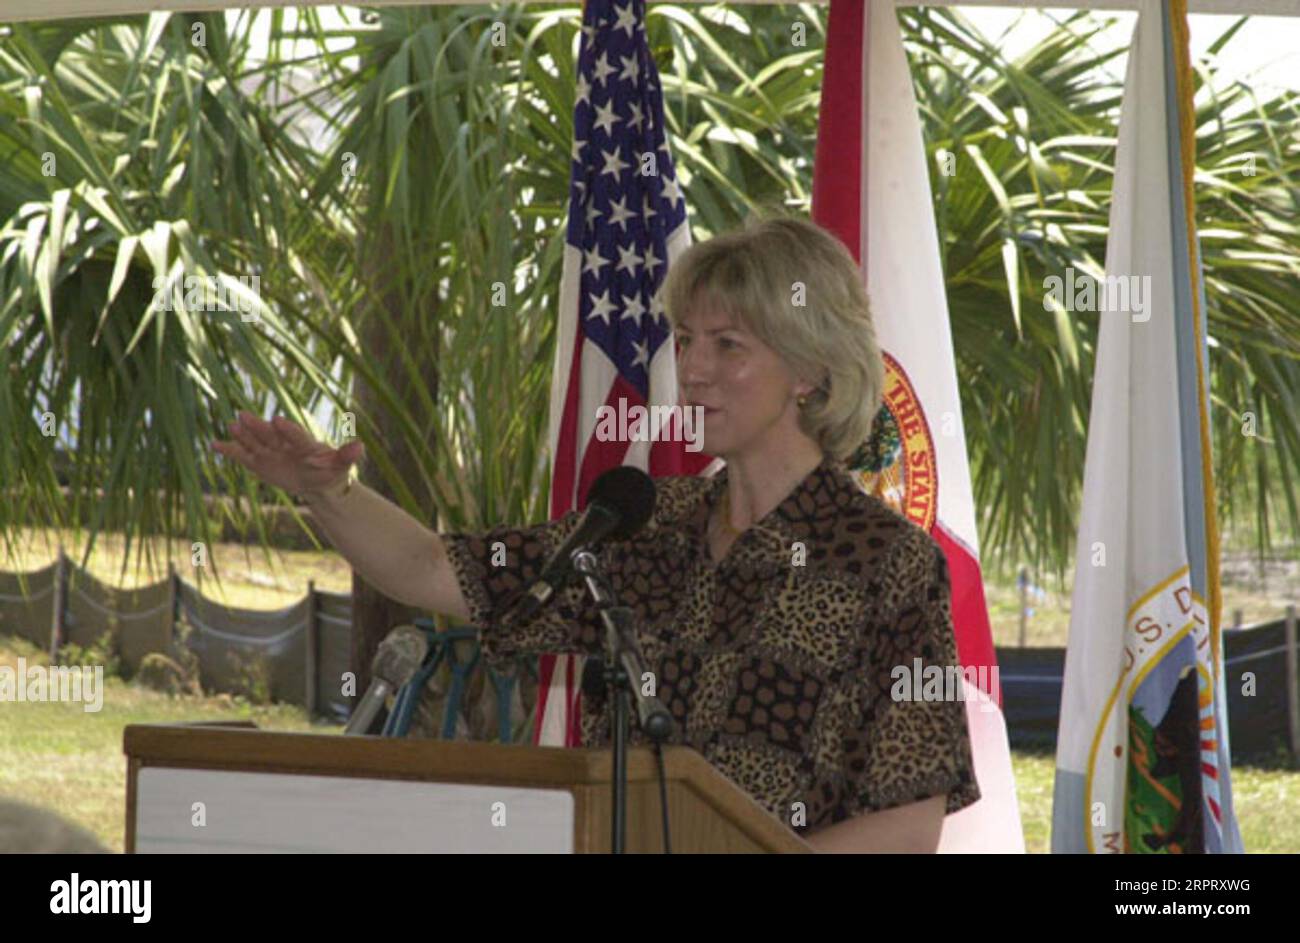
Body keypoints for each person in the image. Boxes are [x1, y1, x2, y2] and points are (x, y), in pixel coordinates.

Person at [213, 214, 980, 853]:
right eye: (683, 340)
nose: (693, 369)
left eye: (728, 345)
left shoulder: (886, 562)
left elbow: (907, 824)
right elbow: (425, 566)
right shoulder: (643, 525)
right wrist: (329, 492)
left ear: (810, 370)